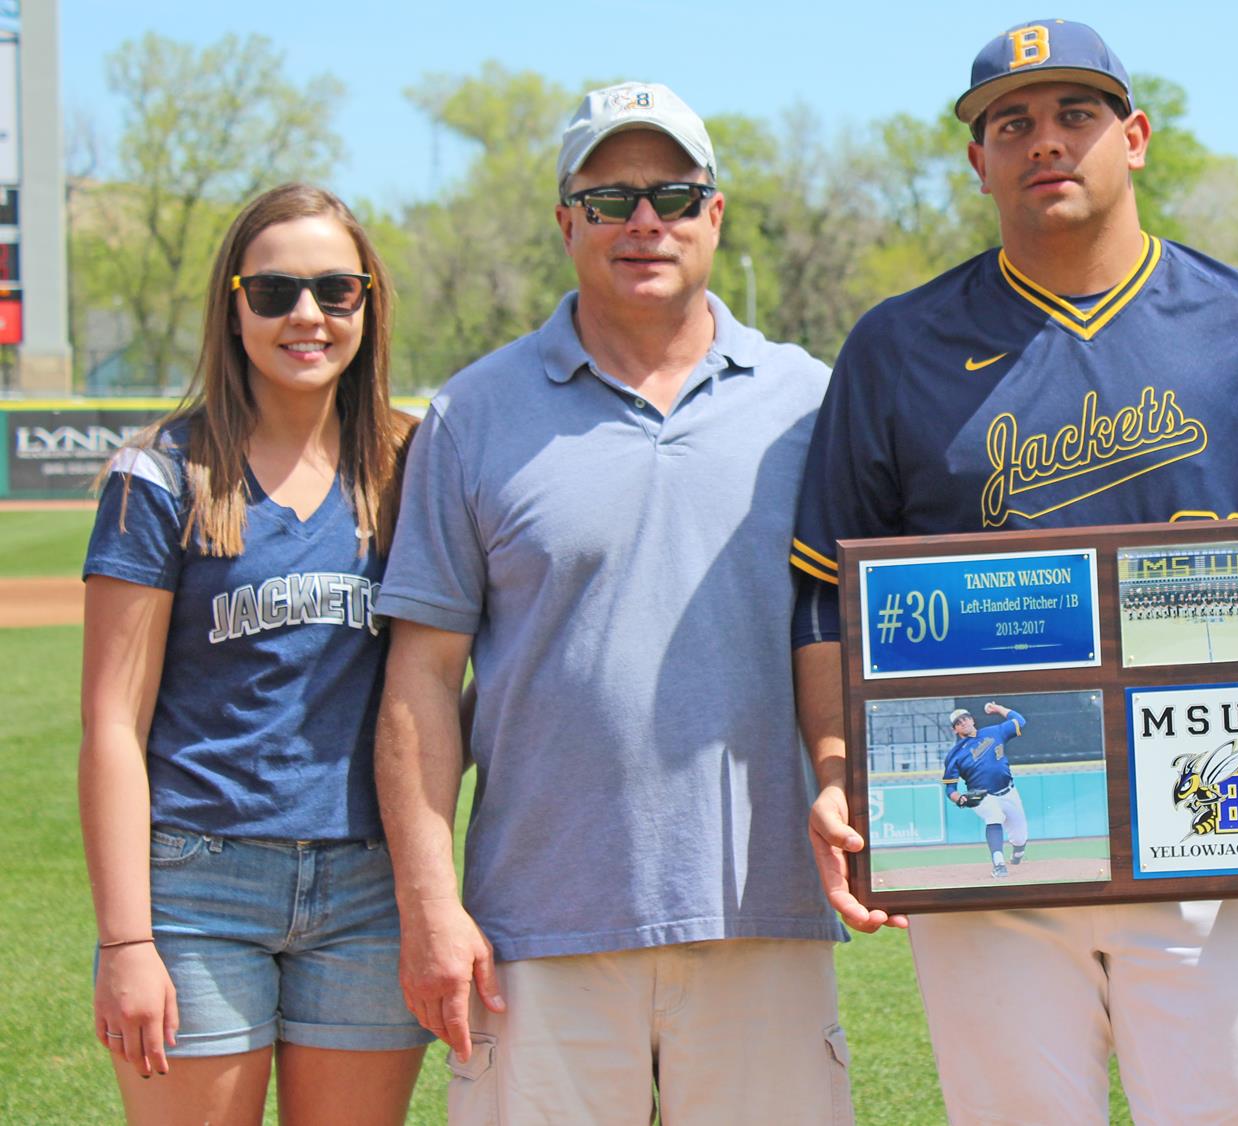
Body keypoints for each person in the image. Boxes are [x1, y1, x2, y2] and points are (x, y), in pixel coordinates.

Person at [791, 20, 1238, 1123]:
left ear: (1135, 136)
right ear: (976, 161)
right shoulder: (895, 344)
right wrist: (834, 767)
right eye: (1010, 123)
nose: (1043, 141)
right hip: (989, 859)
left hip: (1212, 827)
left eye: (1075, 115)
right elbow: (827, 598)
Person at [373, 81, 848, 1124]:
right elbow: (418, 678)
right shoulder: (470, 415)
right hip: (534, 930)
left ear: (714, 216)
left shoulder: (808, 402)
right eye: (609, 198)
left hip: (759, 915)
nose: (645, 221)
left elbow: (872, 632)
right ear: (564, 222)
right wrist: (428, 906)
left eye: (675, 195)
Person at [79, 183, 426, 1124]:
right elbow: (113, 724)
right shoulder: (158, 475)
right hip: (199, 886)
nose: (305, 315)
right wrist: (126, 943)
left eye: (335, 290)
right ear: (233, 307)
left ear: (368, 303)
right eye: (273, 292)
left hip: (370, 886)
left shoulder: (414, 469)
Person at [942, 701, 1029, 877]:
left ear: (972, 719)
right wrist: (958, 797)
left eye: (965, 719)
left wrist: (998, 709)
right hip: (980, 796)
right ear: (955, 730)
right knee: (994, 817)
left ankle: (1018, 852)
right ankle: (998, 864)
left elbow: (1019, 721)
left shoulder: (994, 732)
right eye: (958, 723)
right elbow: (950, 788)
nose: (963, 723)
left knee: (1020, 837)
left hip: (1008, 791)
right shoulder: (954, 755)